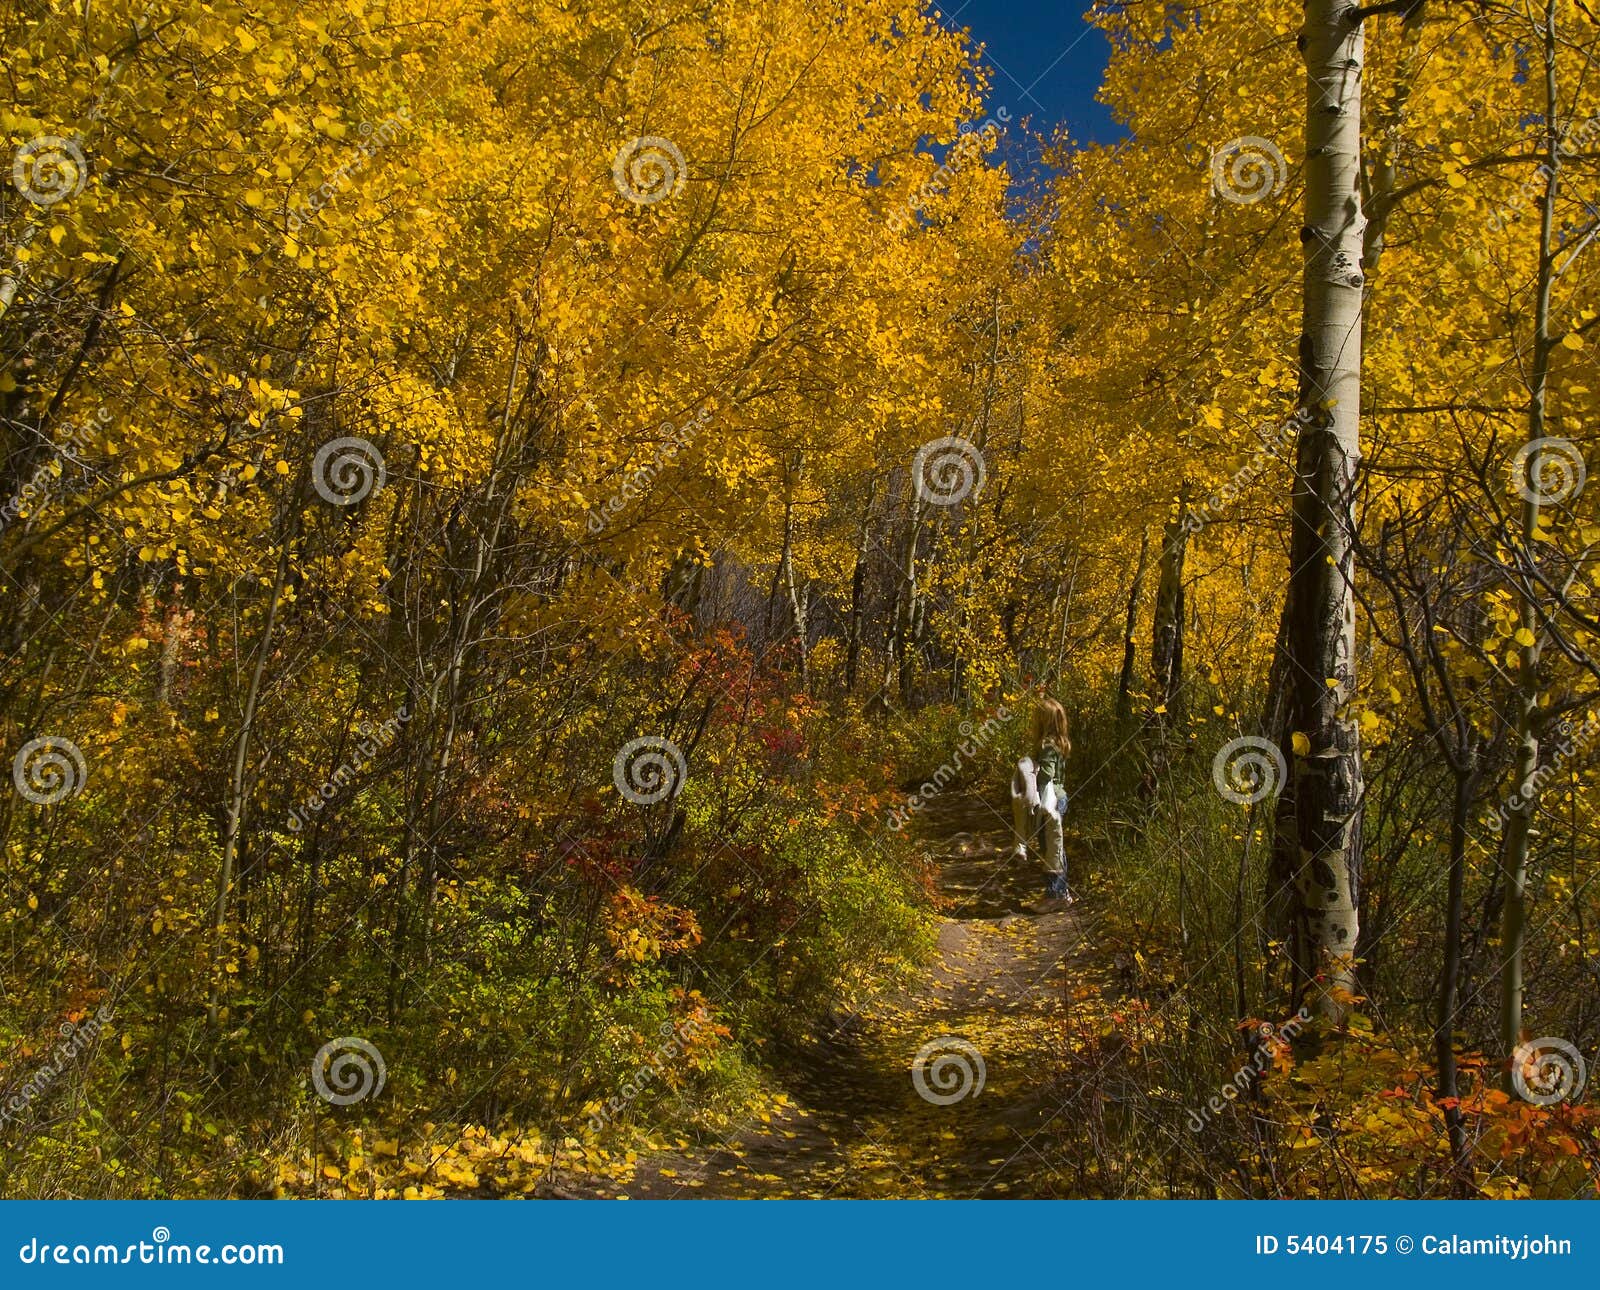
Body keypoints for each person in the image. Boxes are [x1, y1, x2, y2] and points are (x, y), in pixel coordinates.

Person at [1011, 697, 1073, 912]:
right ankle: (1058, 892)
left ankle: (1056, 894)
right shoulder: (1059, 742)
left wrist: (1031, 773)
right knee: (1054, 845)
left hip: (1051, 800)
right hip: (1059, 797)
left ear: (1043, 721)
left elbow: (1047, 773)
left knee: (1051, 847)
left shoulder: (1047, 744)